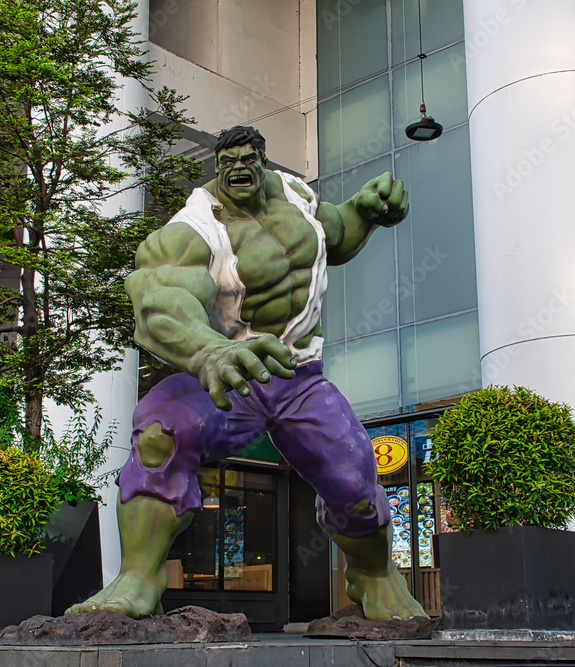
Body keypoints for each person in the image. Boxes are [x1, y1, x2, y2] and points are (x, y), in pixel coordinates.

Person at [67, 126, 427, 621]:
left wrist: (365, 212)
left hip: (299, 375)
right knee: (158, 431)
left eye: (247, 159)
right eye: (227, 161)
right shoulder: (193, 226)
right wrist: (207, 350)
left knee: (356, 480)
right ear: (216, 168)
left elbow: (335, 236)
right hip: (228, 371)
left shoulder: (295, 195)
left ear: (263, 161)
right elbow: (159, 296)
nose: (238, 168)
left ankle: (373, 575)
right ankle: (139, 575)